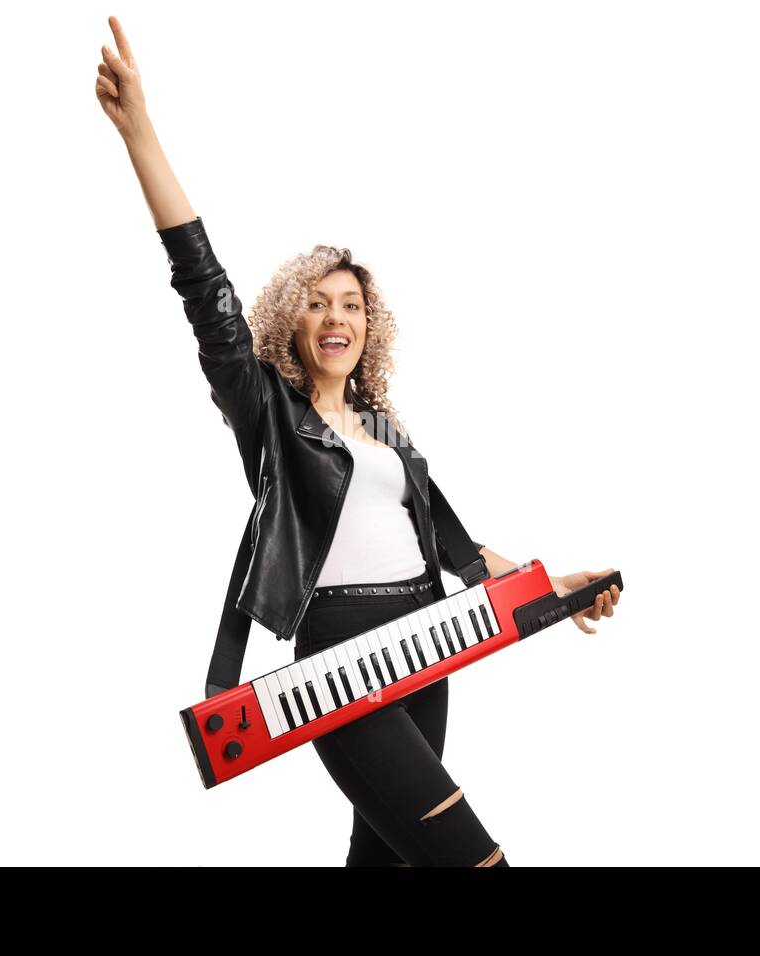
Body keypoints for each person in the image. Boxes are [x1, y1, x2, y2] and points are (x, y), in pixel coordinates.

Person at [95, 16, 621, 866]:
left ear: (368, 326)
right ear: (287, 321)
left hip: (430, 641)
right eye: (316, 300)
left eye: (350, 303)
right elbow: (205, 291)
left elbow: (460, 551)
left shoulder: (386, 433)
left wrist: (557, 591)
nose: (335, 315)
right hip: (340, 658)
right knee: (471, 860)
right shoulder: (267, 412)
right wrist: (141, 134)